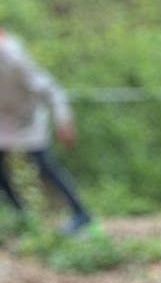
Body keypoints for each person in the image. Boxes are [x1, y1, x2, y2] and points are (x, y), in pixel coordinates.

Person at [0, 28, 92, 234]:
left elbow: (52, 90)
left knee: (44, 166)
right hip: (3, 119)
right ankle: (21, 216)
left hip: (29, 118)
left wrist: (64, 121)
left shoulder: (14, 59)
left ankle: (81, 213)